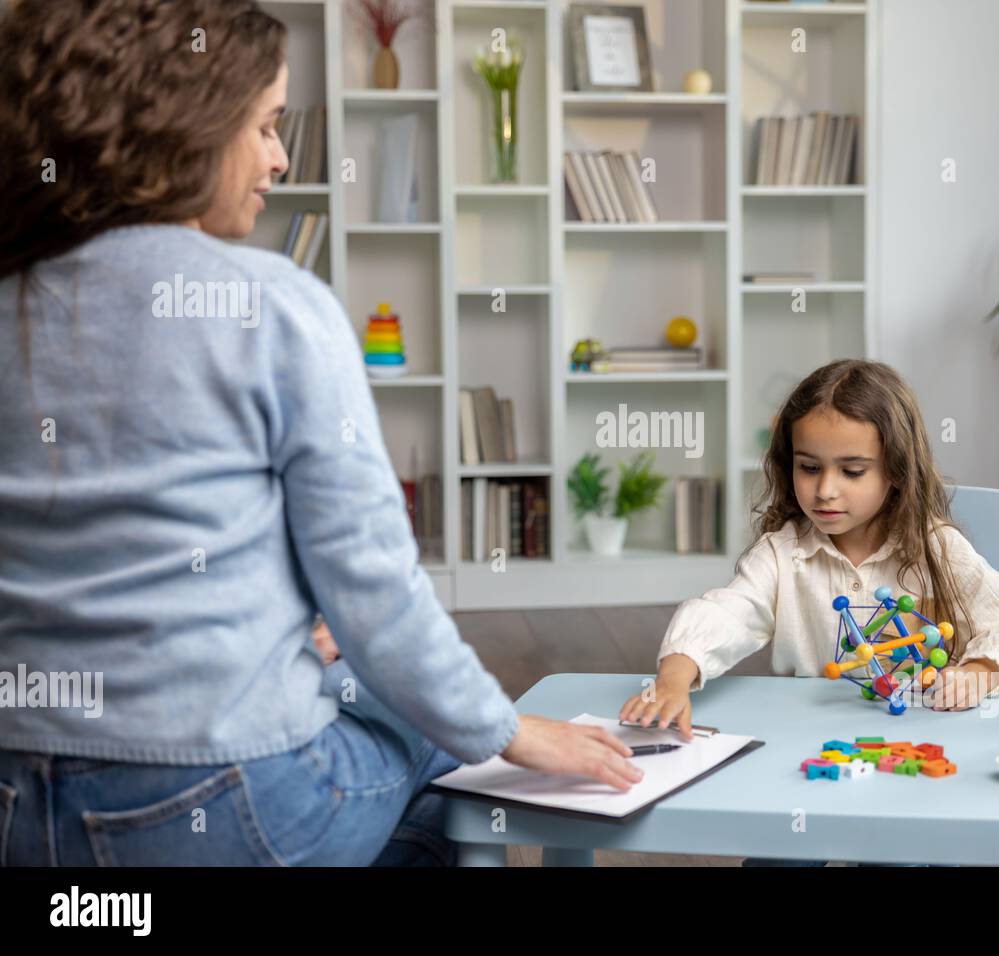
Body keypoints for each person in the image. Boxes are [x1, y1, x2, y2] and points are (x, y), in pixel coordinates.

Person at [0, 0, 639, 868]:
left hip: (18, 798)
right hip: (221, 797)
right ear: (185, 127)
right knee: (434, 744)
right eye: (264, 125)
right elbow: (375, 595)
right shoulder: (272, 305)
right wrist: (507, 729)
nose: (281, 155)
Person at [618, 359, 999, 865]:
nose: (825, 489)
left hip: (916, 762)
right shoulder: (782, 554)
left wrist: (982, 670)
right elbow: (725, 613)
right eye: (809, 466)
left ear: (897, 471)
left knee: (909, 857)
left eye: (852, 470)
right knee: (780, 857)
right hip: (807, 759)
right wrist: (673, 677)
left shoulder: (937, 549)